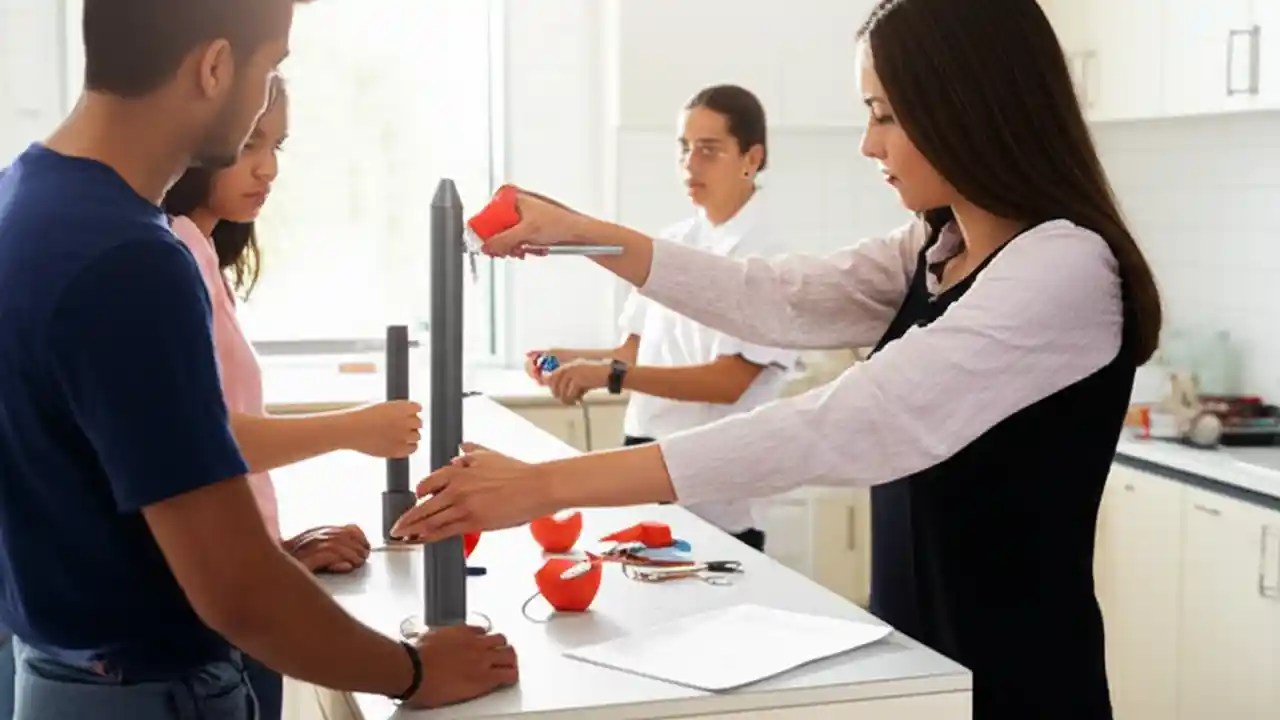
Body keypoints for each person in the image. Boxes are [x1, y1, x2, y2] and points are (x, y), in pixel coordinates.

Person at [394, 0, 1163, 718]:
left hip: (1017, 680)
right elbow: (772, 298)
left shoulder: (1064, 266)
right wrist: (581, 234)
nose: (870, 143)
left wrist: (546, 484)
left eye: (885, 114)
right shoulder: (935, 248)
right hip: (922, 663)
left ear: (969, 106)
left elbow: (854, 421)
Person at [0, 1, 515, 718]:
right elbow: (237, 593)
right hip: (150, 695)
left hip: (56, 674)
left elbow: (99, 488)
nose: (261, 102)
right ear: (214, 67)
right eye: (268, 67)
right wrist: (413, 671)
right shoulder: (130, 261)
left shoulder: (21, 203)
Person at [158, 74, 410, 720]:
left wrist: (278, 552)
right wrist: (356, 428)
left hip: (243, 581)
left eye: (277, 147)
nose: (267, 168)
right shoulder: (174, 250)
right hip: (217, 615)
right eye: (249, 144)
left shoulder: (204, 251)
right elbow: (208, 437)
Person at [525, 85, 799, 553]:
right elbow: (634, 352)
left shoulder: (771, 260)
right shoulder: (671, 244)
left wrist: (610, 375)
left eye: (708, 150)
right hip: (644, 452)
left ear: (751, 157)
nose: (690, 165)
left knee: (712, 612)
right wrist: (572, 360)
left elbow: (728, 381)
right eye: (684, 149)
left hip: (711, 477)